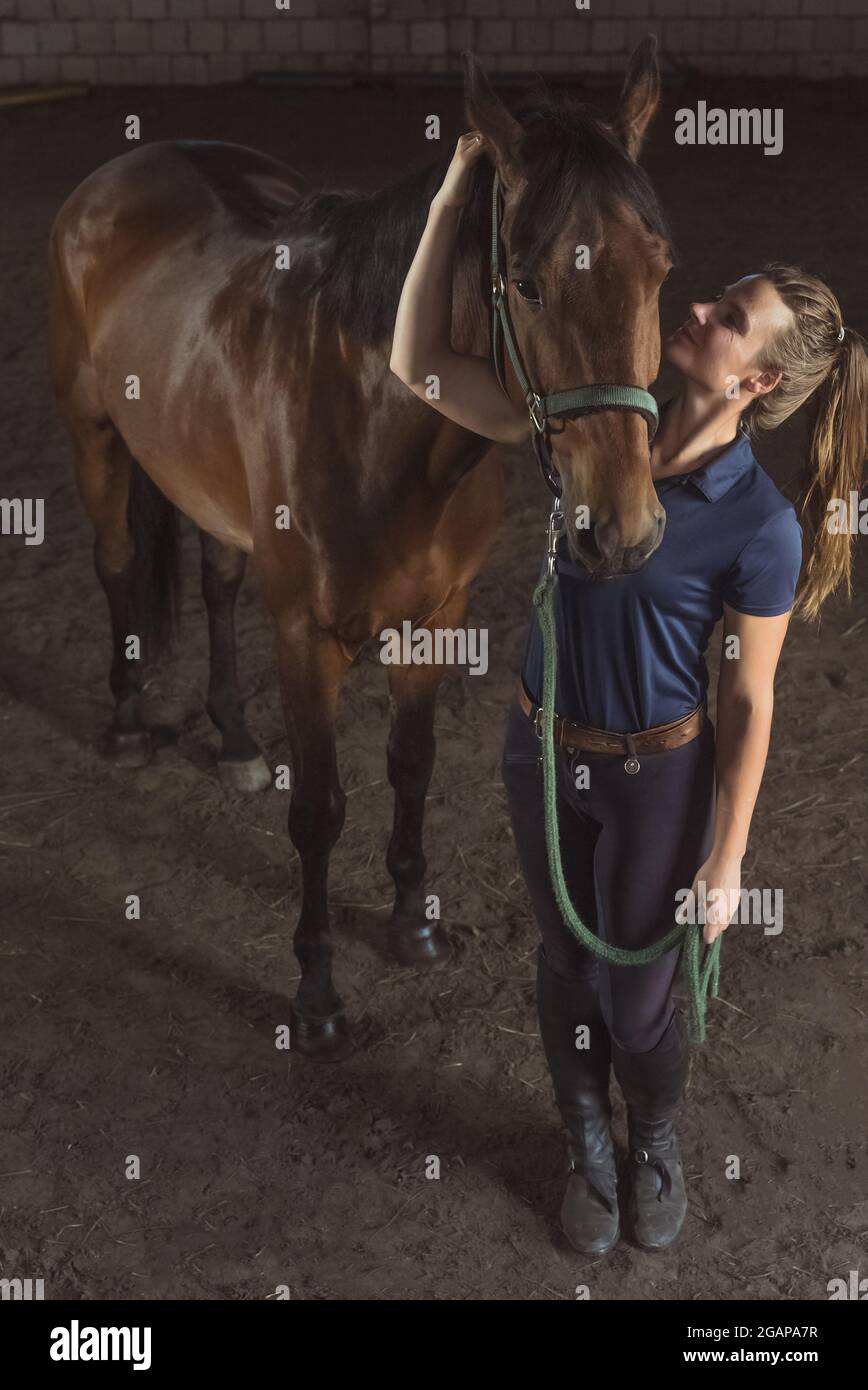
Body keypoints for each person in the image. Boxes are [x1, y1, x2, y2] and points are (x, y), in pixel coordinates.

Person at [390, 131, 867, 1254]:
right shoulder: (597, 417)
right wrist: (459, 187)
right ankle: (585, 1148)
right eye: (710, 299)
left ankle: (651, 1135)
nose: (696, 310)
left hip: (659, 771)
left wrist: (728, 855)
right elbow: (417, 363)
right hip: (538, 743)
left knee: (637, 995)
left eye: (726, 319)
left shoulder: (761, 525)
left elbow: (749, 703)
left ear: (756, 384)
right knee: (563, 963)